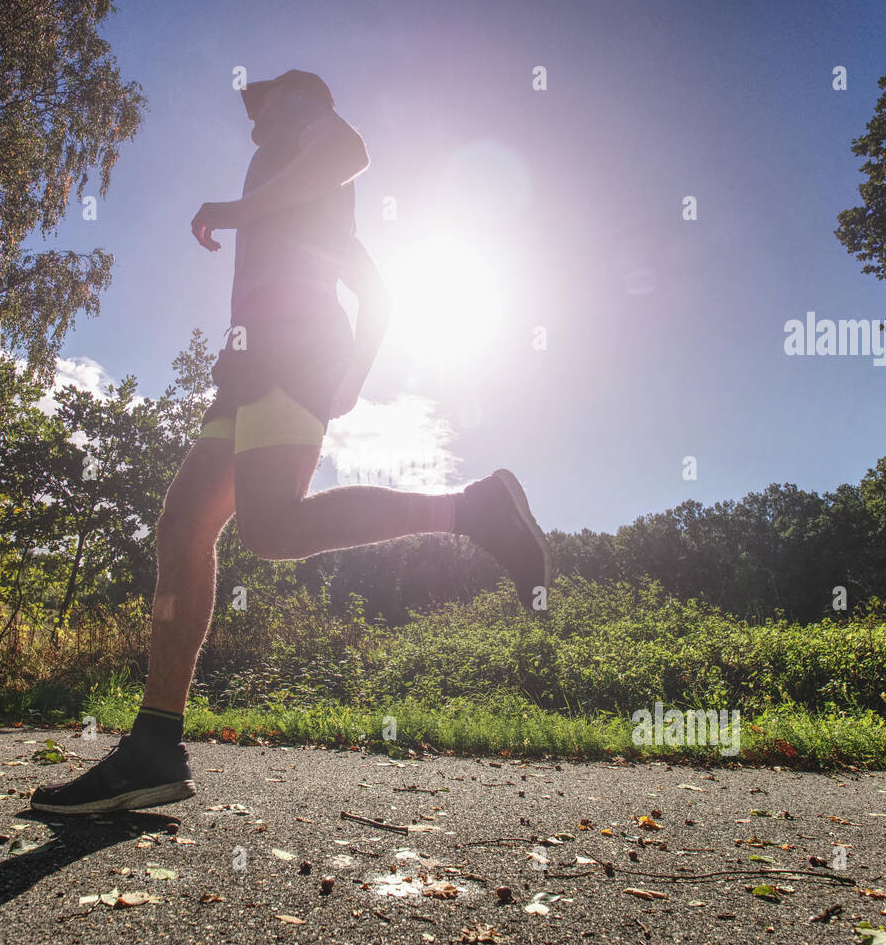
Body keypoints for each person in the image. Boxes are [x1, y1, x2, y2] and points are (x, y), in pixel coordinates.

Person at [31, 70, 550, 815]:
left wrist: (237, 211)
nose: (248, 112)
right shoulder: (305, 185)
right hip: (255, 359)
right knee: (182, 526)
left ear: (288, 97)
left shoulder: (304, 124)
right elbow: (376, 288)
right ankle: (152, 745)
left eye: (258, 99)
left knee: (269, 528)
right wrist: (353, 376)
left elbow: (349, 146)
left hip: (288, 346)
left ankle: (473, 509)